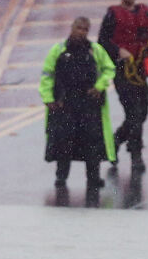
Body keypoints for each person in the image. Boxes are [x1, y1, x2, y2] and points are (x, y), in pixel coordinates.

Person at [41, 16, 115, 203]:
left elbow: (109, 69)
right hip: (65, 105)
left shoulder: (96, 50)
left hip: (89, 104)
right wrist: (48, 98)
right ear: (72, 27)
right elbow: (47, 75)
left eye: (85, 29)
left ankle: (93, 178)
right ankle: (61, 177)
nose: (81, 32)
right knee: (63, 142)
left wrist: (99, 87)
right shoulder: (58, 50)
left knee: (92, 143)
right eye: (79, 28)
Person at [98, 0, 148, 169]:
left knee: (142, 112)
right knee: (133, 112)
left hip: (140, 70)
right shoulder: (112, 15)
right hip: (123, 71)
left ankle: (116, 140)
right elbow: (102, 41)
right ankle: (136, 153)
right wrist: (118, 51)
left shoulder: (144, 12)